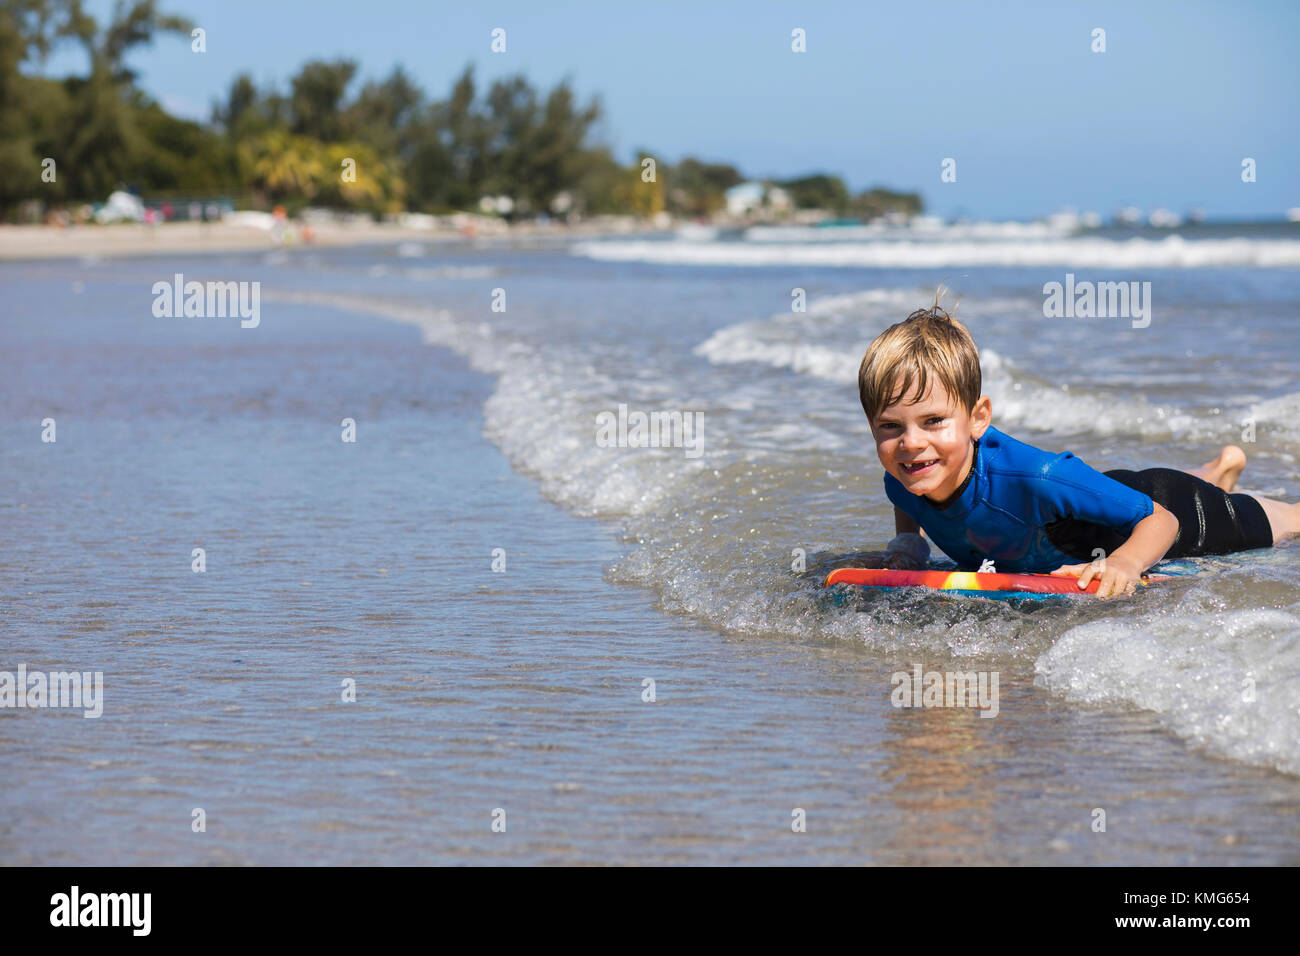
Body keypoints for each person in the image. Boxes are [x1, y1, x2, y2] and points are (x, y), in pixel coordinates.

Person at [856, 297, 1299, 599]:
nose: (911, 444)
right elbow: (907, 500)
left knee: (1285, 522)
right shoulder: (905, 476)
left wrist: (1124, 566)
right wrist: (907, 546)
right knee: (1116, 495)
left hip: (1175, 515)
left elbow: (1159, 519)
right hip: (1097, 501)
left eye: (933, 421)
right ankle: (1217, 470)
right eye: (890, 426)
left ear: (978, 418)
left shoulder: (1037, 477)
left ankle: (1216, 486)